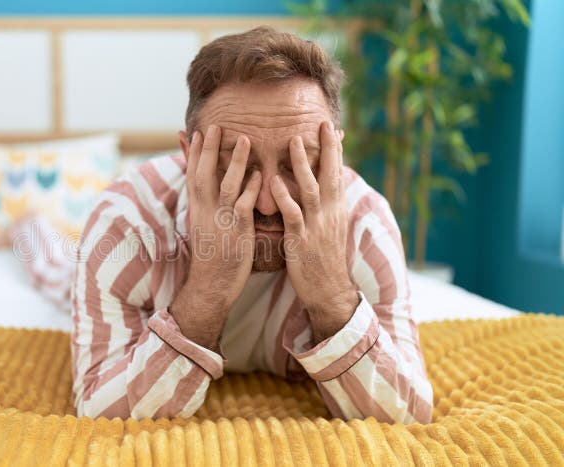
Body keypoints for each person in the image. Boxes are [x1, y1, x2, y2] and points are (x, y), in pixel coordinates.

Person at [70, 26, 432, 423]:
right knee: (56, 274)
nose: (266, 201)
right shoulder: (128, 221)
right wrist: (209, 286)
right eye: (235, 163)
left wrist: (331, 294)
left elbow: (408, 415)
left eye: (300, 162)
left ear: (334, 156)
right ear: (190, 156)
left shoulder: (365, 222)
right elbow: (99, 412)